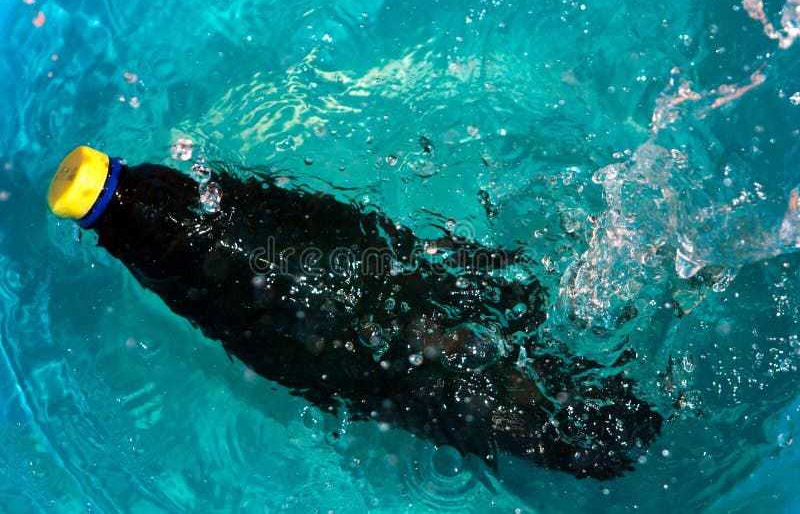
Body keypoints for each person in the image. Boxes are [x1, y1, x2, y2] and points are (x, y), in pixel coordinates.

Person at [48, 146, 662, 479]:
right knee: (456, 300)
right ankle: (590, 410)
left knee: (434, 381)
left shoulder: (171, 268)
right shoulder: (211, 194)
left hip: (342, 339)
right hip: (370, 275)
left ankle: (586, 437)